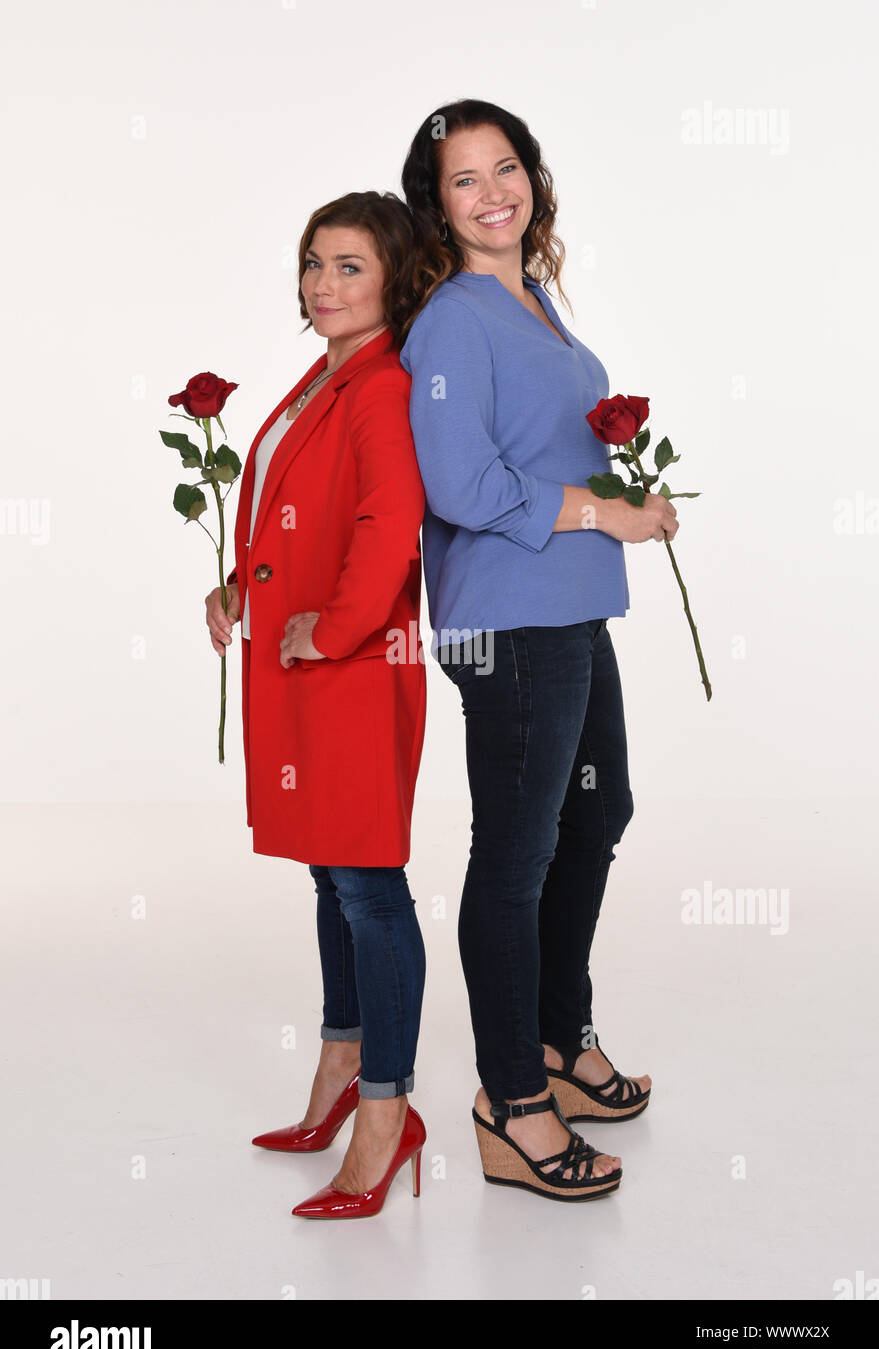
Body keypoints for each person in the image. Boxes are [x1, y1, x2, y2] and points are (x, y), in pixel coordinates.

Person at [400, 101, 679, 1202]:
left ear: (531, 176)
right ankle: (511, 1100)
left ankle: (560, 1041)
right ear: (440, 205)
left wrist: (626, 498)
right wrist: (597, 513)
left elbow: (539, 450)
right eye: (464, 180)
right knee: (514, 855)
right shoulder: (454, 321)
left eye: (503, 167)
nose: (490, 193)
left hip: (565, 605)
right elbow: (459, 487)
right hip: (504, 617)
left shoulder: (537, 299)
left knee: (595, 813)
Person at [204, 192, 428, 1220]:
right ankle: (343, 1062)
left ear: (394, 276)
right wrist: (239, 588)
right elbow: (286, 508)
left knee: (370, 885)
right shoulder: (324, 376)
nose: (323, 284)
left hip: (350, 665)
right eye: (313, 264)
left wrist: (332, 627)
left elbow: (390, 525)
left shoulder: (382, 384)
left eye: (348, 266)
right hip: (298, 661)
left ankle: (386, 1109)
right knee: (332, 872)